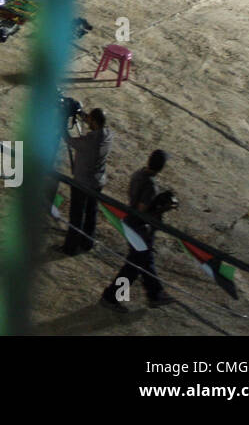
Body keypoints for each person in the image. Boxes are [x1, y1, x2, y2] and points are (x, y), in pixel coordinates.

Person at [100, 149, 177, 312]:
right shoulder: (150, 185)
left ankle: (155, 294)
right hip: (140, 229)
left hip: (132, 223)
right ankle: (111, 298)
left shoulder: (138, 174)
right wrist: (163, 208)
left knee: (146, 260)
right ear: (162, 167)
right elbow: (142, 211)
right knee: (133, 267)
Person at [62, 108, 112, 255]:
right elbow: (95, 124)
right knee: (91, 212)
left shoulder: (90, 142)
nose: (87, 120)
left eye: (90, 119)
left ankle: (70, 248)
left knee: (77, 215)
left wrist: (62, 126)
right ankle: (87, 242)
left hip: (82, 183)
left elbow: (70, 140)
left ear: (94, 122)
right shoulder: (108, 135)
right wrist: (82, 114)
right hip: (97, 182)